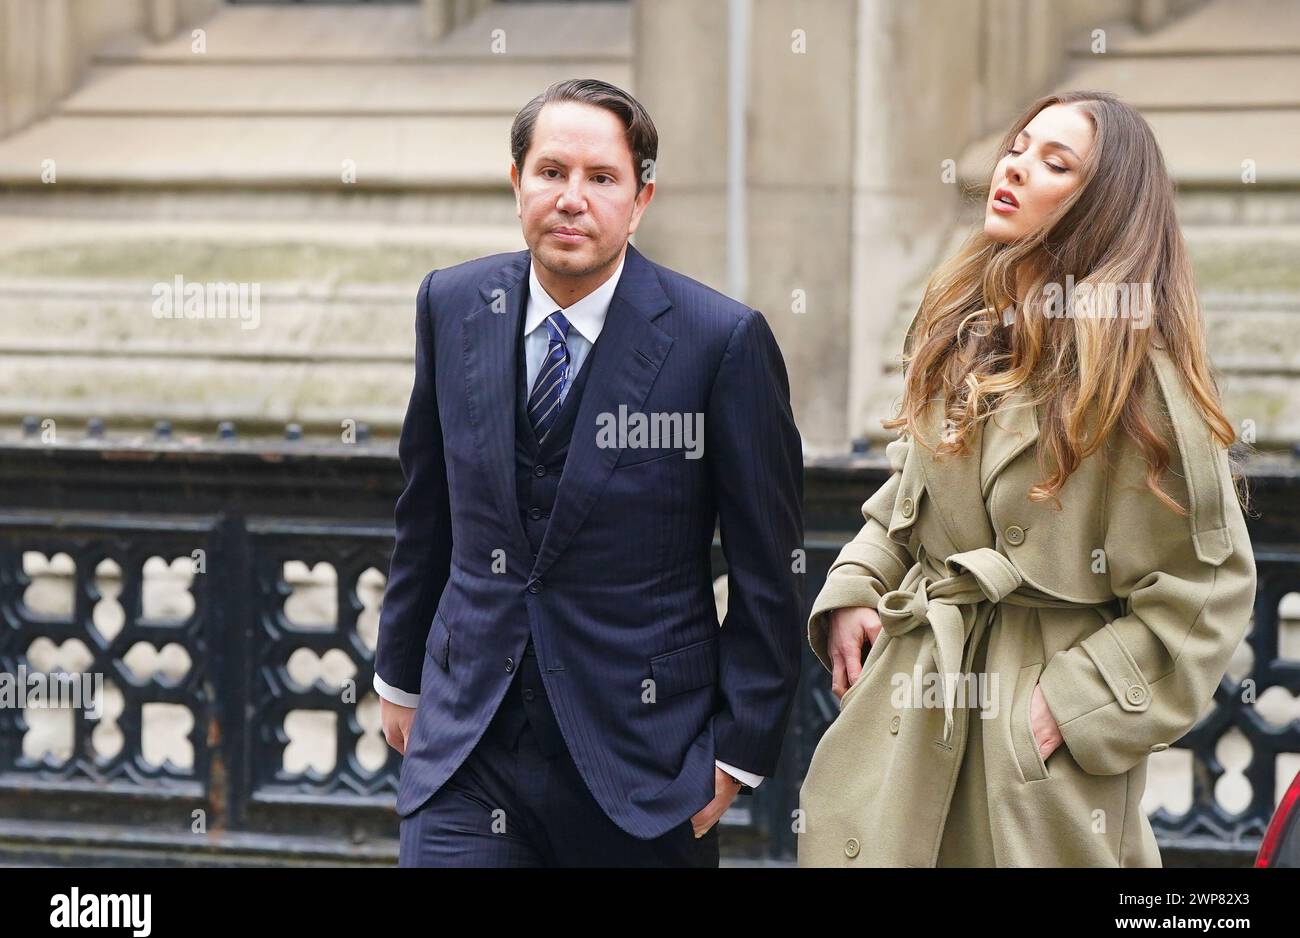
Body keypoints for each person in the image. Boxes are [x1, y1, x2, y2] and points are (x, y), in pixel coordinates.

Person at [798, 90, 1257, 867]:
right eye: (1018, 146)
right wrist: (854, 585)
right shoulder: (963, 330)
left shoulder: (1139, 385)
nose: (1014, 167)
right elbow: (905, 502)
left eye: (1055, 162)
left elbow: (1206, 592)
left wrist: (1068, 704)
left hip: (1032, 766)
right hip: (908, 715)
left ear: (1104, 206)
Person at [374, 78, 804, 867]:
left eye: (601, 178)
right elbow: (426, 508)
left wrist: (735, 758)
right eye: (551, 172)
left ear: (640, 200)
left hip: (642, 765)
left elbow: (767, 569)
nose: (572, 199)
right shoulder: (452, 302)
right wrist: (400, 677)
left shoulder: (721, 341)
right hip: (468, 746)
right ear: (517, 184)